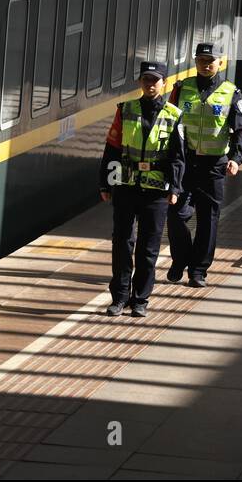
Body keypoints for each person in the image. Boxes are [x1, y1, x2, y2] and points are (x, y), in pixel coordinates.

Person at [98, 62, 185, 317]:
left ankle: (140, 300)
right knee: (122, 243)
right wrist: (105, 182)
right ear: (140, 82)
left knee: (148, 247)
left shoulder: (174, 115)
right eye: (146, 79)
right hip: (126, 186)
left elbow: (178, 157)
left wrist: (175, 188)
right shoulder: (125, 110)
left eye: (155, 80)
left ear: (164, 83)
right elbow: (112, 149)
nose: (150, 84)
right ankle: (119, 297)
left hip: (156, 191)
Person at [166, 43, 242, 288]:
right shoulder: (182, 88)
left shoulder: (231, 92)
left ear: (220, 63)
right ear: (195, 62)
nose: (206, 64)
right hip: (184, 163)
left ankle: (198, 270)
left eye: (211, 60)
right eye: (202, 60)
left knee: (208, 219)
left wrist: (236, 157)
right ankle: (180, 259)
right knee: (176, 214)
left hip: (213, 165)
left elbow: (241, 129)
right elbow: (168, 121)